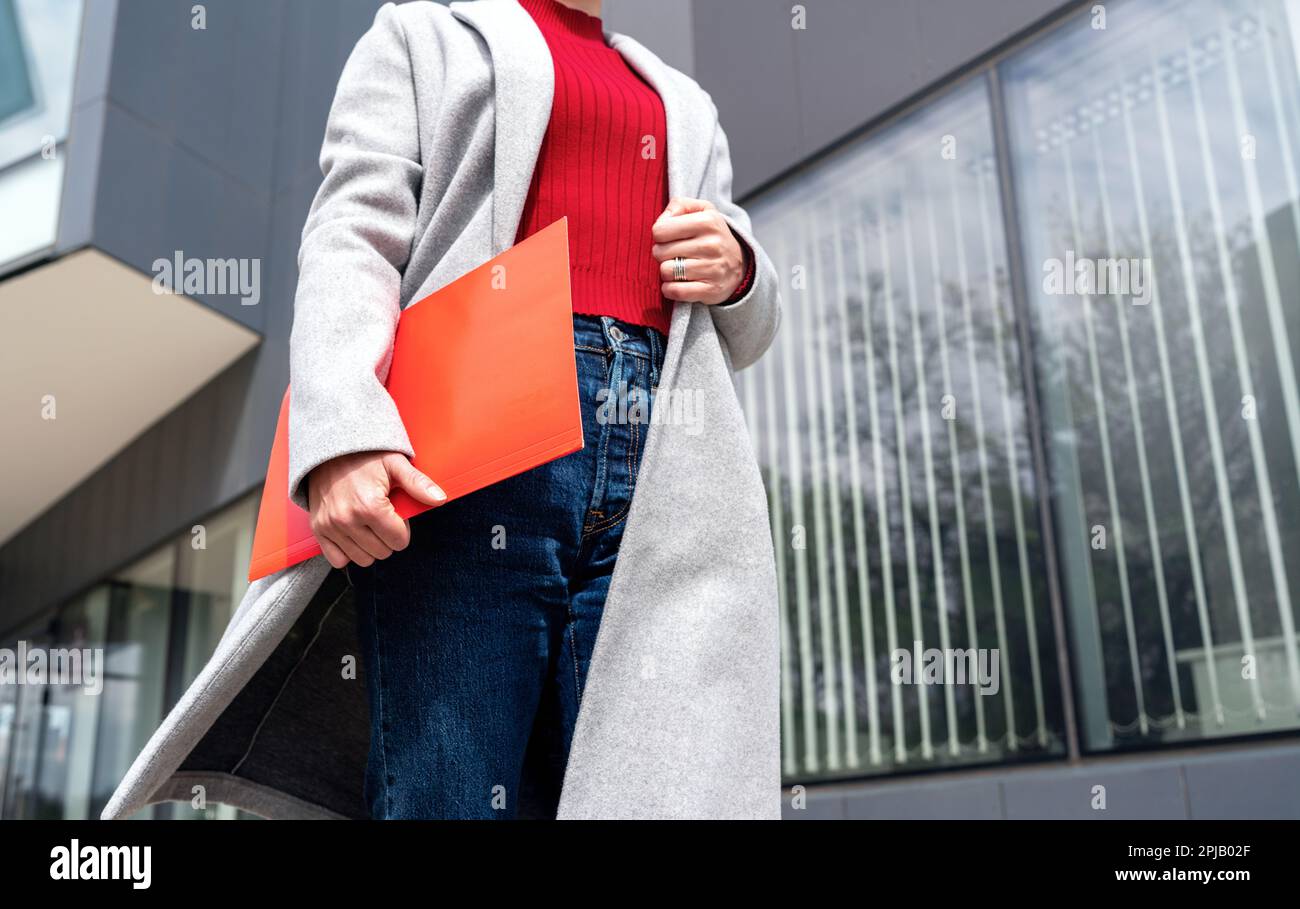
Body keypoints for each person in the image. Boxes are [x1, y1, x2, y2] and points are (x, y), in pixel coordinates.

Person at [103, 0, 781, 822]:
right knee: (450, 791)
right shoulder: (422, 30)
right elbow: (355, 229)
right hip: (476, 446)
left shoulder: (685, 102)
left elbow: (744, 326)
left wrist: (741, 267)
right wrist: (343, 428)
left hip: (667, 470)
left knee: (655, 784)